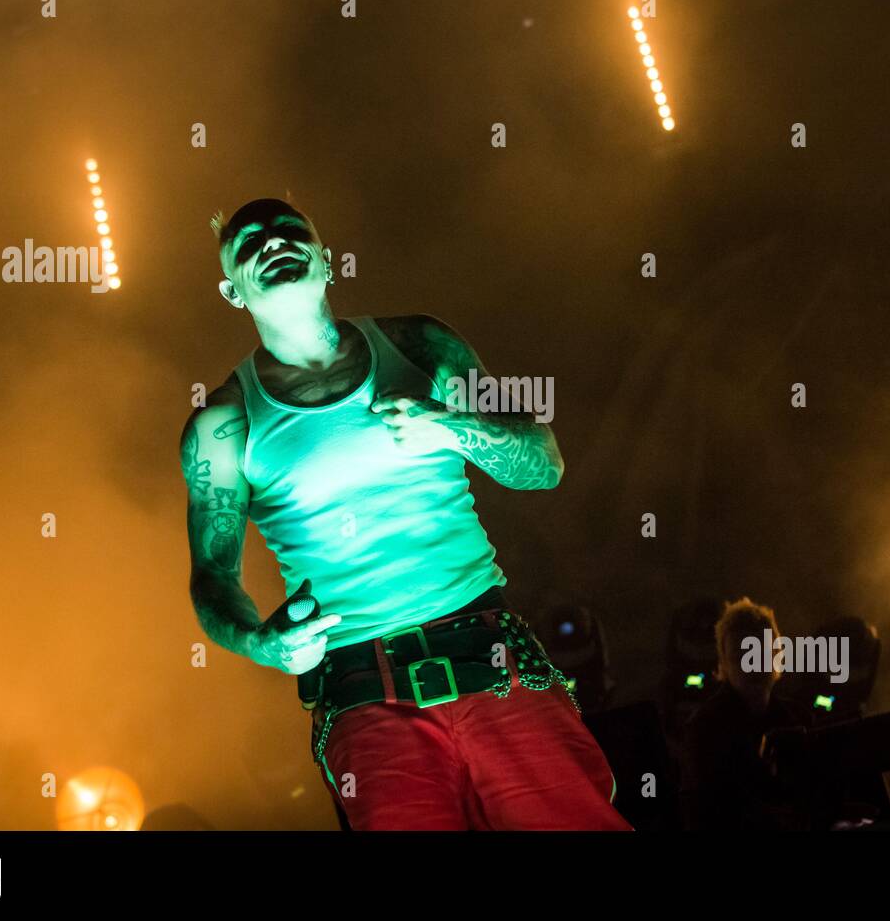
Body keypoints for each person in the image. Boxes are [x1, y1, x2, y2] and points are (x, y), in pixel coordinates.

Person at [179, 197, 629, 830]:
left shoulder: (419, 344)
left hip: (492, 656)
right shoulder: (224, 424)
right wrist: (261, 643)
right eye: (250, 239)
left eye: (290, 229)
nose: (274, 240)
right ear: (231, 290)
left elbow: (543, 465)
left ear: (327, 260)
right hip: (364, 694)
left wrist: (454, 429)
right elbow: (212, 578)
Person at [679, 597, 808, 830]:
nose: (751, 666)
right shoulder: (704, 730)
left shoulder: (800, 718)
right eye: (741, 656)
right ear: (724, 664)